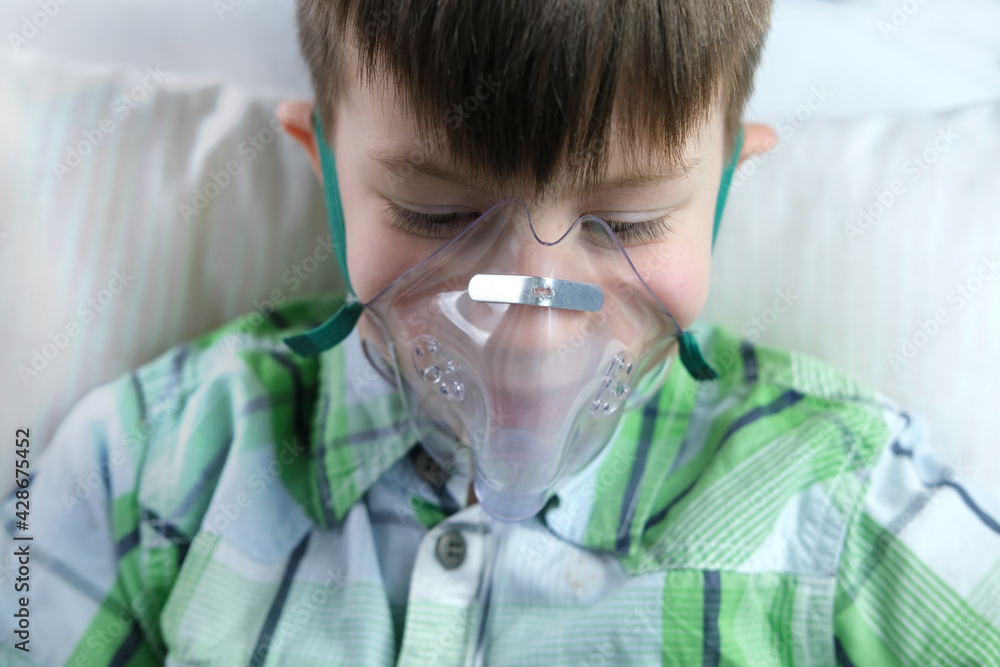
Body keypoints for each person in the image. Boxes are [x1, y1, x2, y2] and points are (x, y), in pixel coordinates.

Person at [4, 0, 1000, 665]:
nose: (528, 317)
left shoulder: (834, 498)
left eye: (630, 219)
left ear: (729, 183)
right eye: (437, 217)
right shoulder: (155, 466)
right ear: (325, 169)